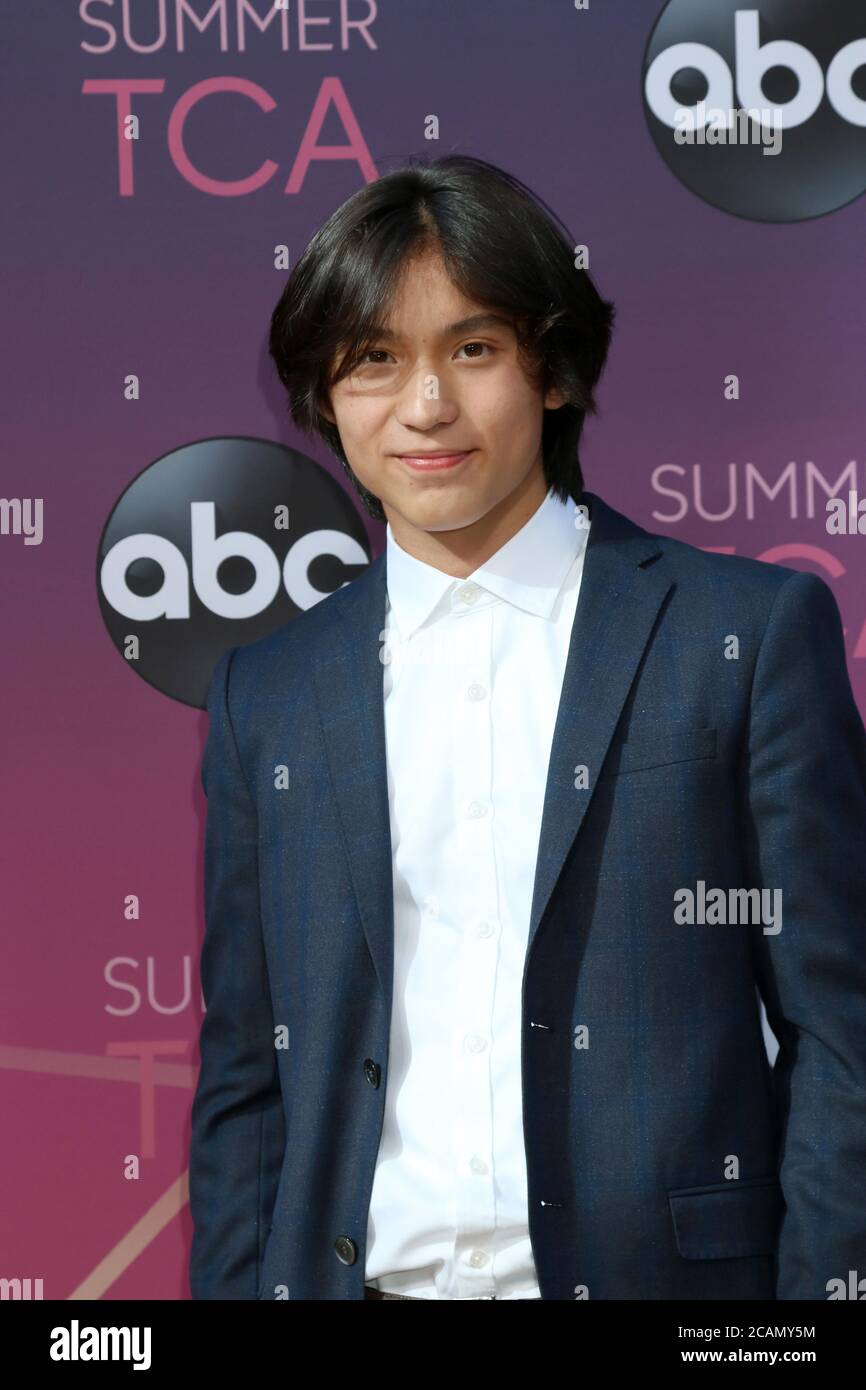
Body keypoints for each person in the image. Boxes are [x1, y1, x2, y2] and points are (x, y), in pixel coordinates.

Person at [189, 154, 866, 1300]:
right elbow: (248, 1076)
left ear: (549, 370)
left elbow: (840, 1035)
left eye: (470, 349)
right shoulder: (270, 691)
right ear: (323, 399)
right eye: (372, 361)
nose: (424, 407)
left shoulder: (736, 638)